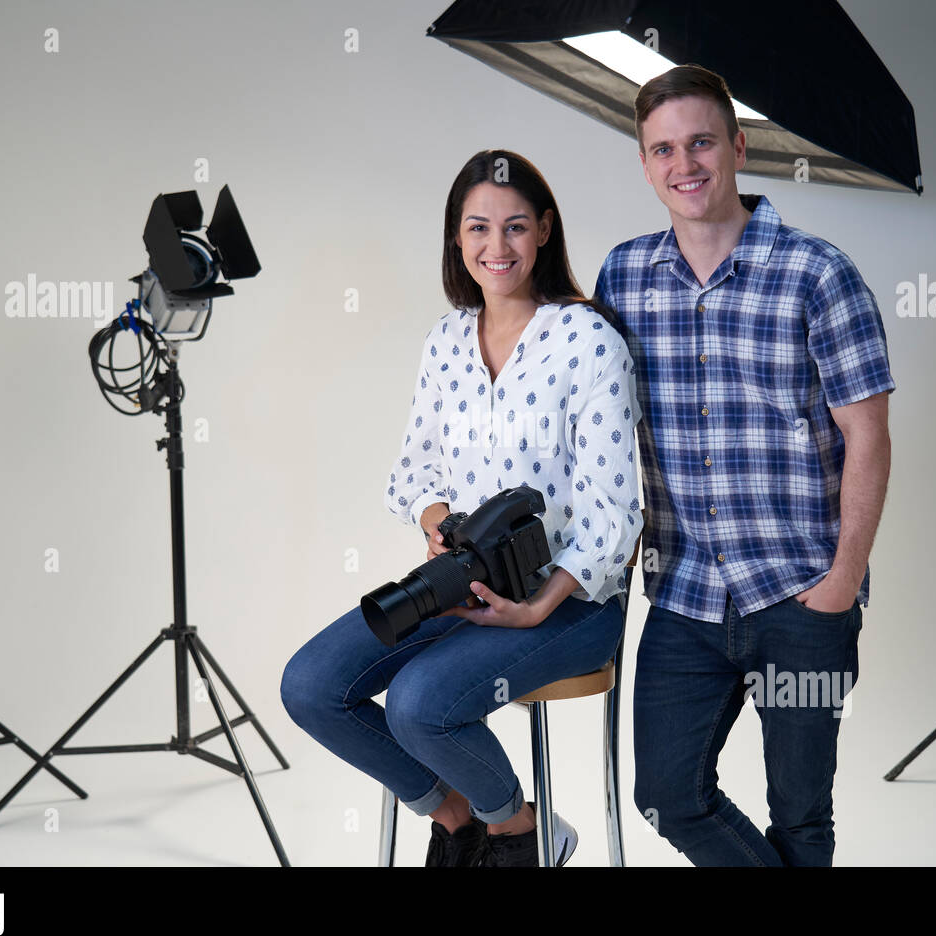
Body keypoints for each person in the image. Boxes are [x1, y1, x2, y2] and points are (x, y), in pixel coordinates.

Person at [281, 149, 643, 867]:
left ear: (544, 229)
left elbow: (615, 516)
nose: (496, 247)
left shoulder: (588, 340)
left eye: (514, 227)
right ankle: (458, 817)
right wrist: (438, 527)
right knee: (312, 685)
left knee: (420, 705)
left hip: (570, 603)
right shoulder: (446, 341)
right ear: (456, 238)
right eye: (478, 228)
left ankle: (519, 833)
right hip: (466, 579)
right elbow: (414, 471)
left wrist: (536, 608)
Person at [594, 65, 895, 866]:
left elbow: (869, 437)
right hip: (686, 596)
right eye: (662, 149)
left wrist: (839, 585)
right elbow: (586, 416)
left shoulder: (819, 273)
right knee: (666, 794)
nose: (683, 164)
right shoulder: (622, 276)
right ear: (645, 162)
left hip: (800, 595)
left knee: (800, 816)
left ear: (739, 144)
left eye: (700, 142)